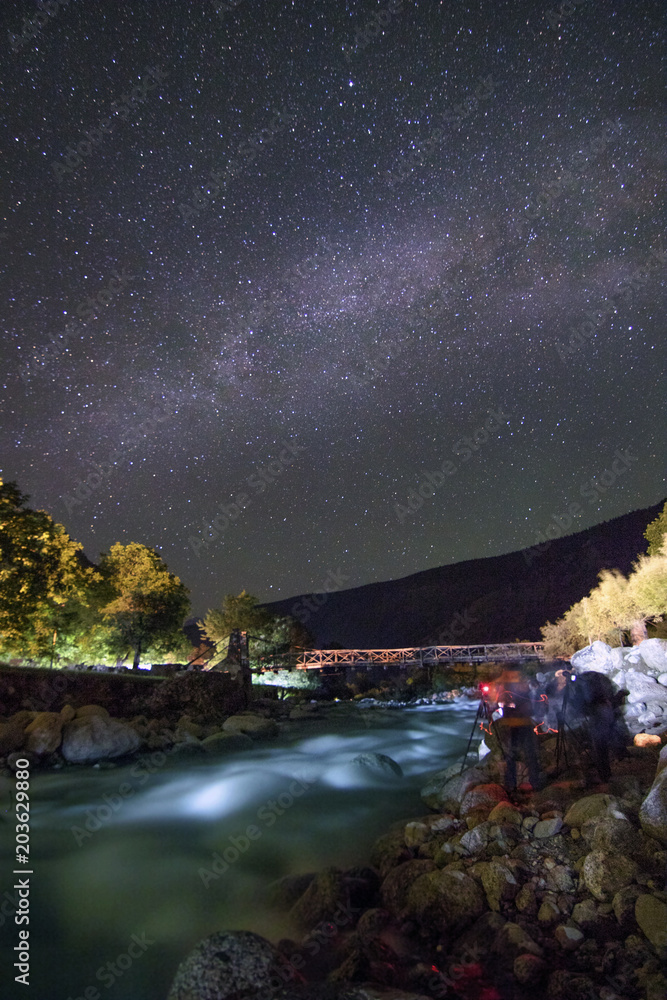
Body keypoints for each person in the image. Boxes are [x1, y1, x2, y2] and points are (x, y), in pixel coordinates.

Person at [491, 666, 544, 797]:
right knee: (523, 755)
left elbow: (529, 707)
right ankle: (529, 783)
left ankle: (515, 784)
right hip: (515, 725)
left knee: (519, 755)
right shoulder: (513, 686)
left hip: (519, 725)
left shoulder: (520, 687)